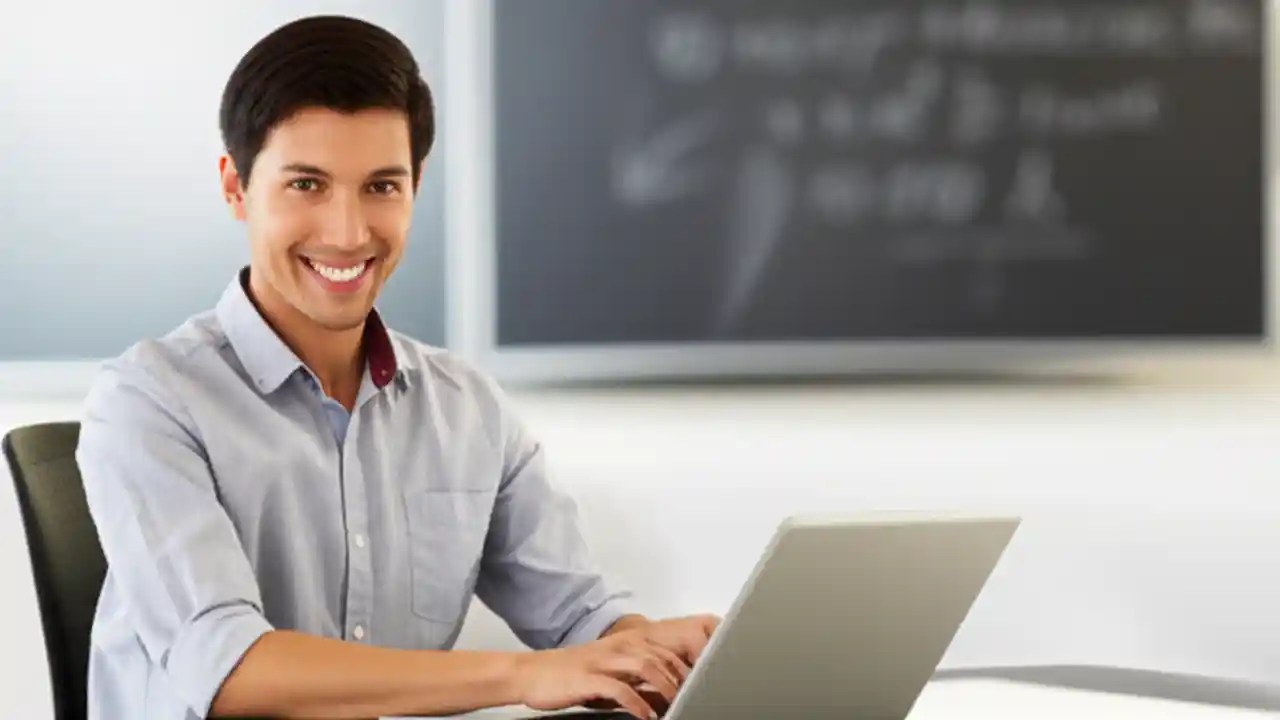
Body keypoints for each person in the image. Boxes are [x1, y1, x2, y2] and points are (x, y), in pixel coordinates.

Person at [77, 15, 719, 720]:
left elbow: (578, 618)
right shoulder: (147, 402)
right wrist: (526, 675)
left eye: (381, 187)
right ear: (236, 187)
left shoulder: (465, 407)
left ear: (416, 185)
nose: (349, 232)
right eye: (306, 186)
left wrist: (656, 653)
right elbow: (230, 669)